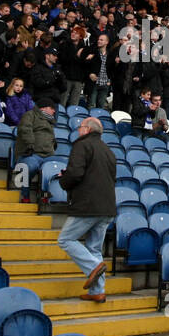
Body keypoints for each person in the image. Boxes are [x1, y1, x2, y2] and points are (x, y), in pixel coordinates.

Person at [56, 116, 117, 303]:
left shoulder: (81, 145)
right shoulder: (109, 151)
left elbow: (75, 173)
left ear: (87, 130)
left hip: (88, 205)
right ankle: (97, 292)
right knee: (94, 248)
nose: (78, 130)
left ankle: (93, 267)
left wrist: (63, 180)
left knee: (65, 239)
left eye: (80, 127)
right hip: (107, 207)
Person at [15, 96, 57, 203]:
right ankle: (25, 196)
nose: (54, 111)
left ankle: (45, 197)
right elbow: (25, 129)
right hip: (32, 153)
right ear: (44, 108)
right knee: (28, 167)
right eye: (52, 108)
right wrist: (30, 145)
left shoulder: (50, 122)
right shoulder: (30, 115)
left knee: (61, 169)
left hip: (48, 155)